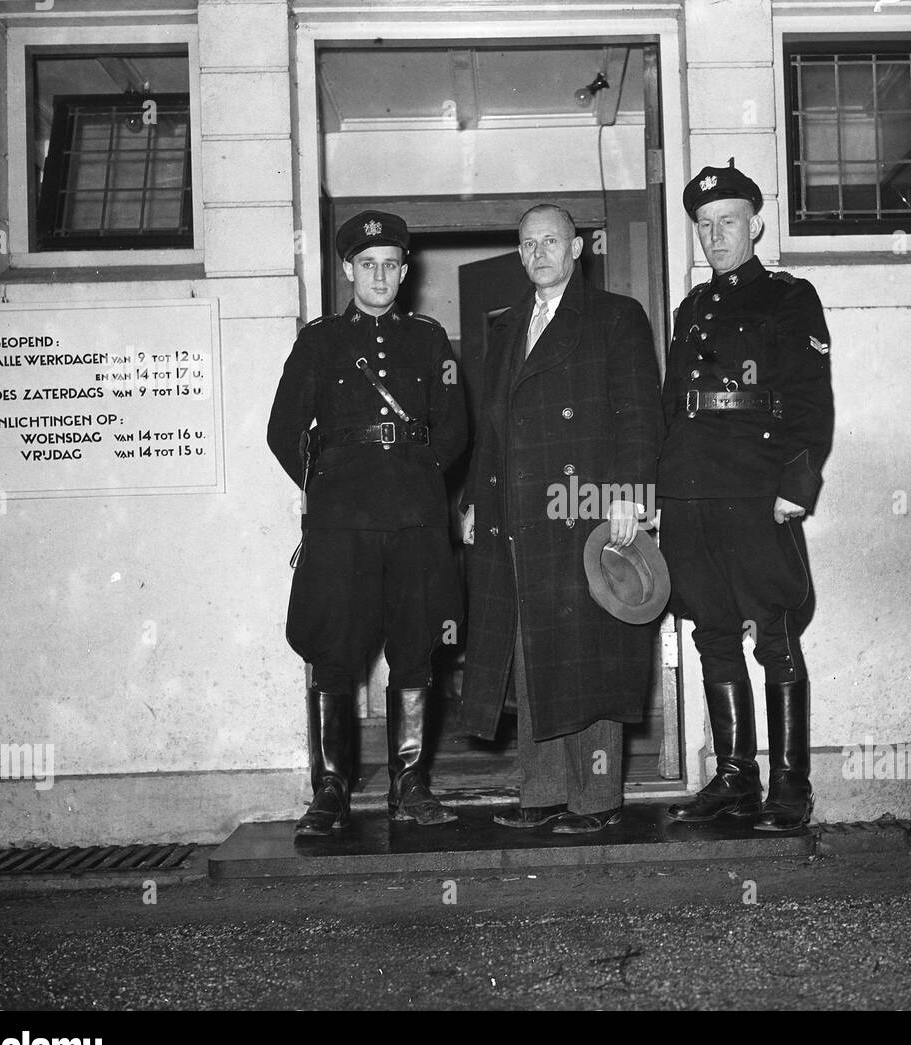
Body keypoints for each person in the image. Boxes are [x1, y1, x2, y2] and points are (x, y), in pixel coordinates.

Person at [459, 203, 663, 834]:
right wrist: (474, 499)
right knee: (529, 653)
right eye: (526, 244)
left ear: (578, 249)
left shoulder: (615, 318)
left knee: (588, 654)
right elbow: (490, 427)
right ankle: (542, 791)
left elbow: (639, 414)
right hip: (519, 514)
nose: (538, 252)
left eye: (551, 241)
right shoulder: (506, 327)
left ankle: (595, 799)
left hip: (583, 511)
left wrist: (630, 495)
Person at [268, 211, 467, 837]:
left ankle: (410, 782)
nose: (379, 275)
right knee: (334, 652)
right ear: (349, 270)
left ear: (405, 273)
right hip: (342, 525)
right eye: (367, 264)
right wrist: (327, 489)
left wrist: (417, 476)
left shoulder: (430, 340)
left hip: (415, 522)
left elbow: (456, 426)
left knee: (415, 649)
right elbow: (281, 431)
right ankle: (331, 786)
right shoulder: (319, 342)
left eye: (391, 265)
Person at [659, 162, 835, 832]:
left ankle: (791, 786)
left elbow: (811, 398)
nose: (715, 234)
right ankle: (736, 775)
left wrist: (797, 482)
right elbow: (673, 404)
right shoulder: (691, 310)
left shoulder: (790, 298)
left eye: (727, 220)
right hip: (692, 486)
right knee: (713, 630)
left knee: (778, 630)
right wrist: (660, 486)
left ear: (755, 224)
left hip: (758, 486)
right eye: (704, 225)